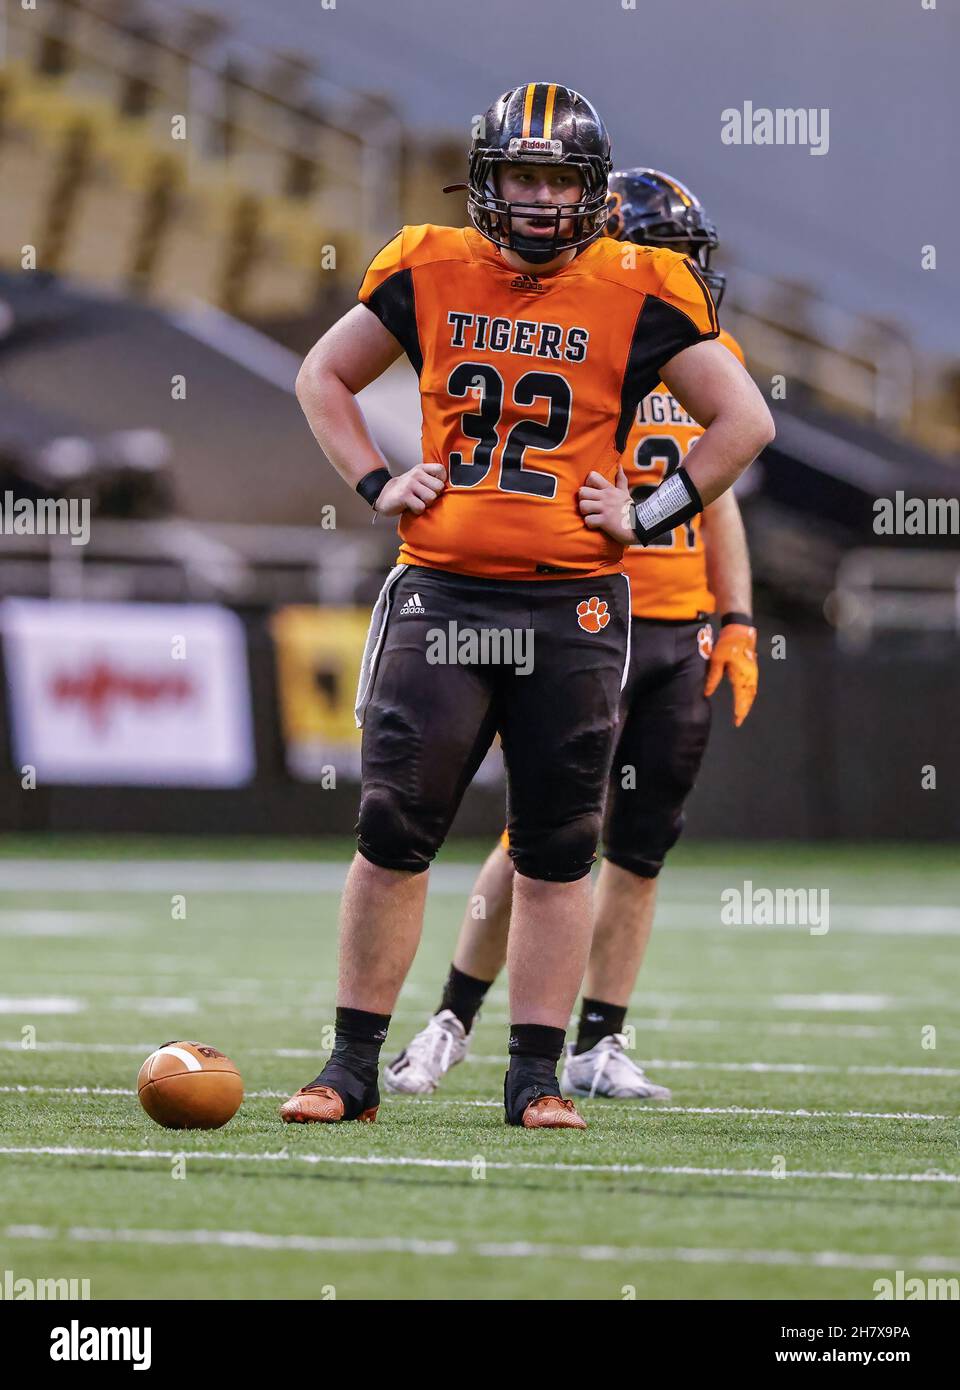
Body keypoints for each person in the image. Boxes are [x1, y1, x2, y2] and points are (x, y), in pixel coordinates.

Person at [281, 88, 774, 1131]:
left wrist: (650, 512)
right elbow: (323, 374)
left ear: (590, 191)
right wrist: (377, 483)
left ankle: (536, 1077)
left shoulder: (642, 283)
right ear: (487, 178)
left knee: (560, 846)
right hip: (446, 591)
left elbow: (743, 420)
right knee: (393, 825)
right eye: (524, 176)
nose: (541, 200)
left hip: (574, 608)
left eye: (560, 179)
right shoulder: (426, 260)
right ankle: (351, 1066)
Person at [384, 170, 759, 1102]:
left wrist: (738, 615)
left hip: (680, 626)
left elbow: (723, 501)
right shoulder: (589, 324)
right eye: (672, 256)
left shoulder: (700, 347)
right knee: (539, 837)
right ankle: (452, 1018)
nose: (684, 275)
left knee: (639, 848)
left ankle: (600, 1041)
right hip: (591, 613)